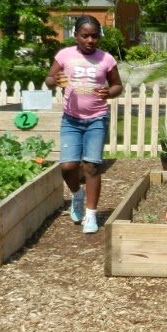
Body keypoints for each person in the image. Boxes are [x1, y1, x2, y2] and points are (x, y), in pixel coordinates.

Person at [45, 15, 123, 234]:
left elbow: (117, 85)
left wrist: (109, 92)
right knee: (68, 167)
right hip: (71, 120)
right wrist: (55, 80)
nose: (90, 40)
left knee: (91, 166)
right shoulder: (65, 55)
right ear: (76, 36)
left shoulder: (106, 59)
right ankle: (77, 196)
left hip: (97, 118)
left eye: (94, 36)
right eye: (85, 36)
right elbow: (49, 79)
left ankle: (91, 215)